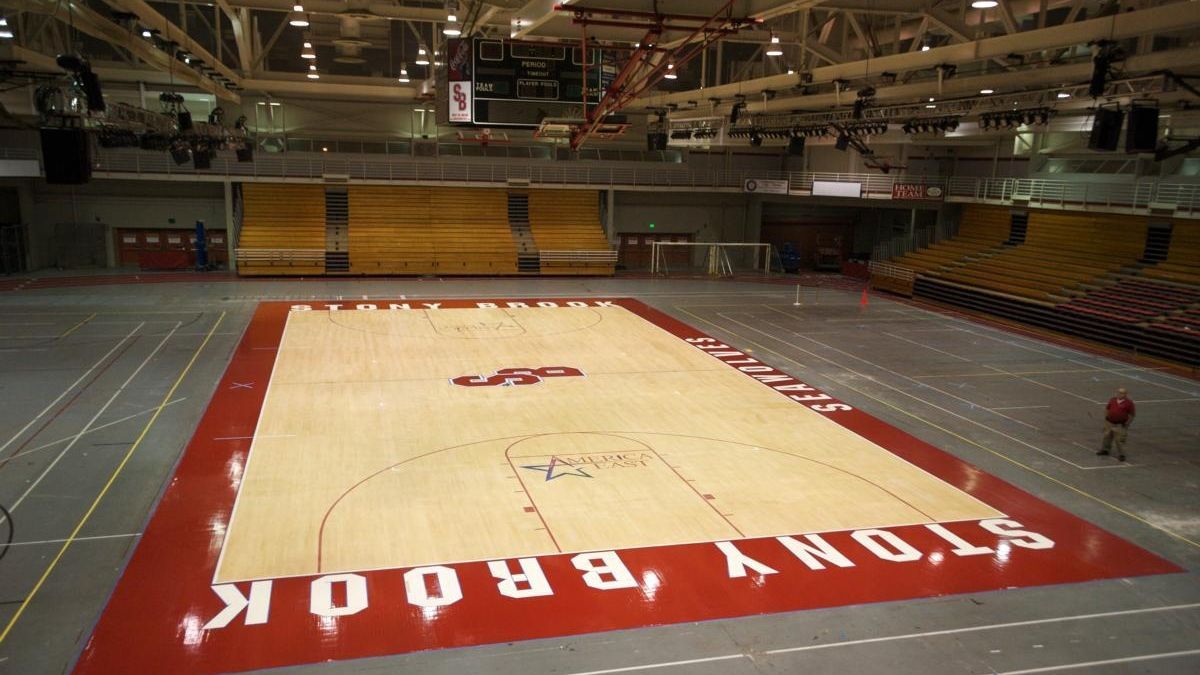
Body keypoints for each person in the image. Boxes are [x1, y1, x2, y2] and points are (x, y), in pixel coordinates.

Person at [1097, 387, 1136, 462]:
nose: (1119, 394)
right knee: (1107, 437)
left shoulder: (1129, 403)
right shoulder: (1113, 400)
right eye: (1118, 392)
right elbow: (1107, 408)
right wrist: (1106, 417)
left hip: (1120, 424)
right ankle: (1105, 450)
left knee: (1119, 440)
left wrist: (1127, 423)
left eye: (1122, 393)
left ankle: (1122, 454)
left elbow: (1132, 415)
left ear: (1125, 394)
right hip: (1109, 423)